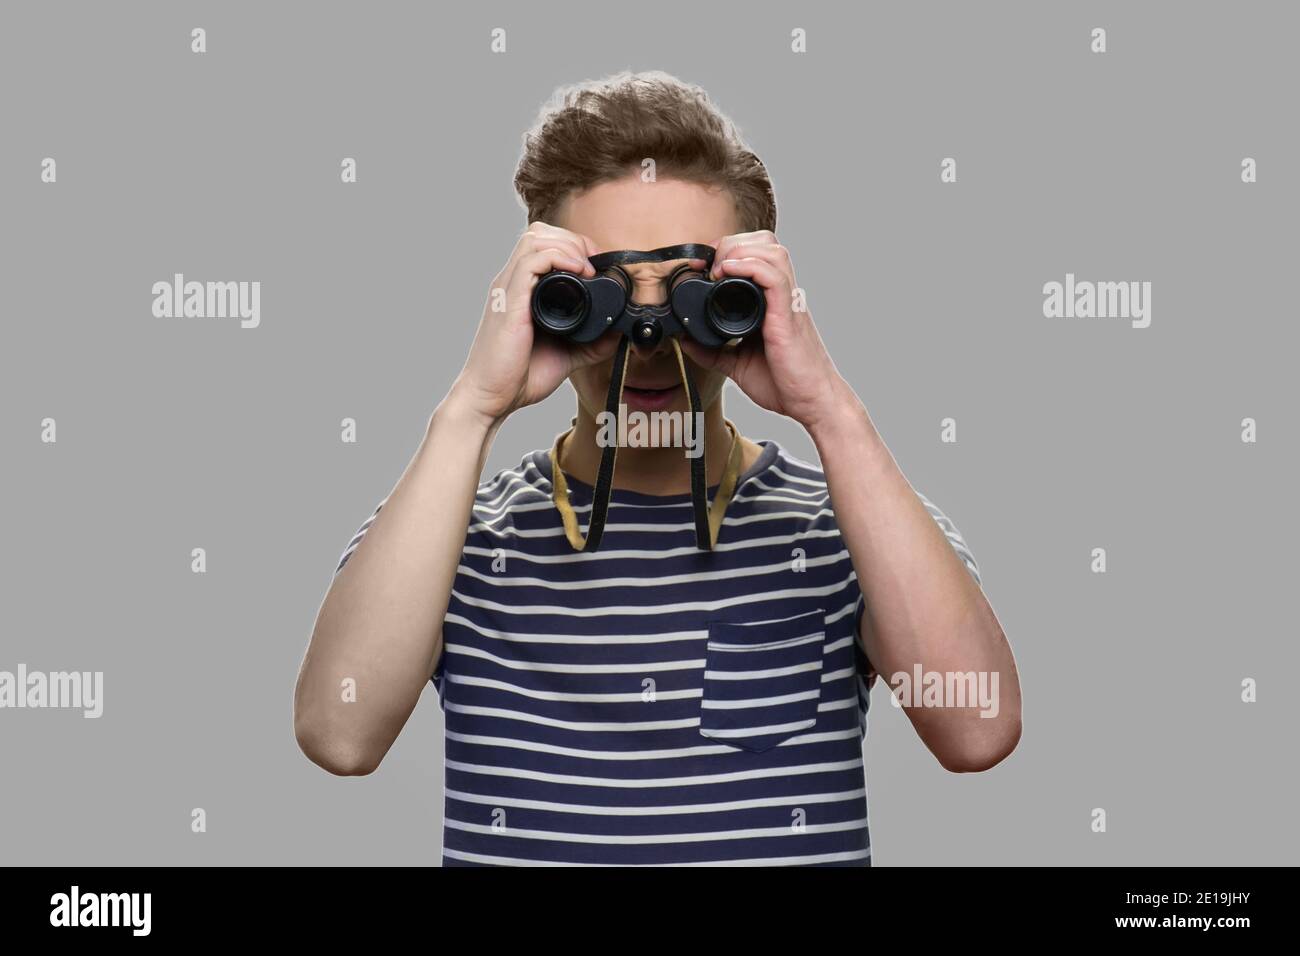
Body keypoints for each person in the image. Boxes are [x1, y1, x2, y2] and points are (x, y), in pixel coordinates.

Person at [294, 70, 1021, 866]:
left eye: (690, 296)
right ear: (544, 298)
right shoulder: (450, 532)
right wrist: (473, 404)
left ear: (747, 301)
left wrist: (829, 412)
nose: (647, 337)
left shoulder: (848, 523)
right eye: (599, 292)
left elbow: (978, 730)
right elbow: (340, 734)